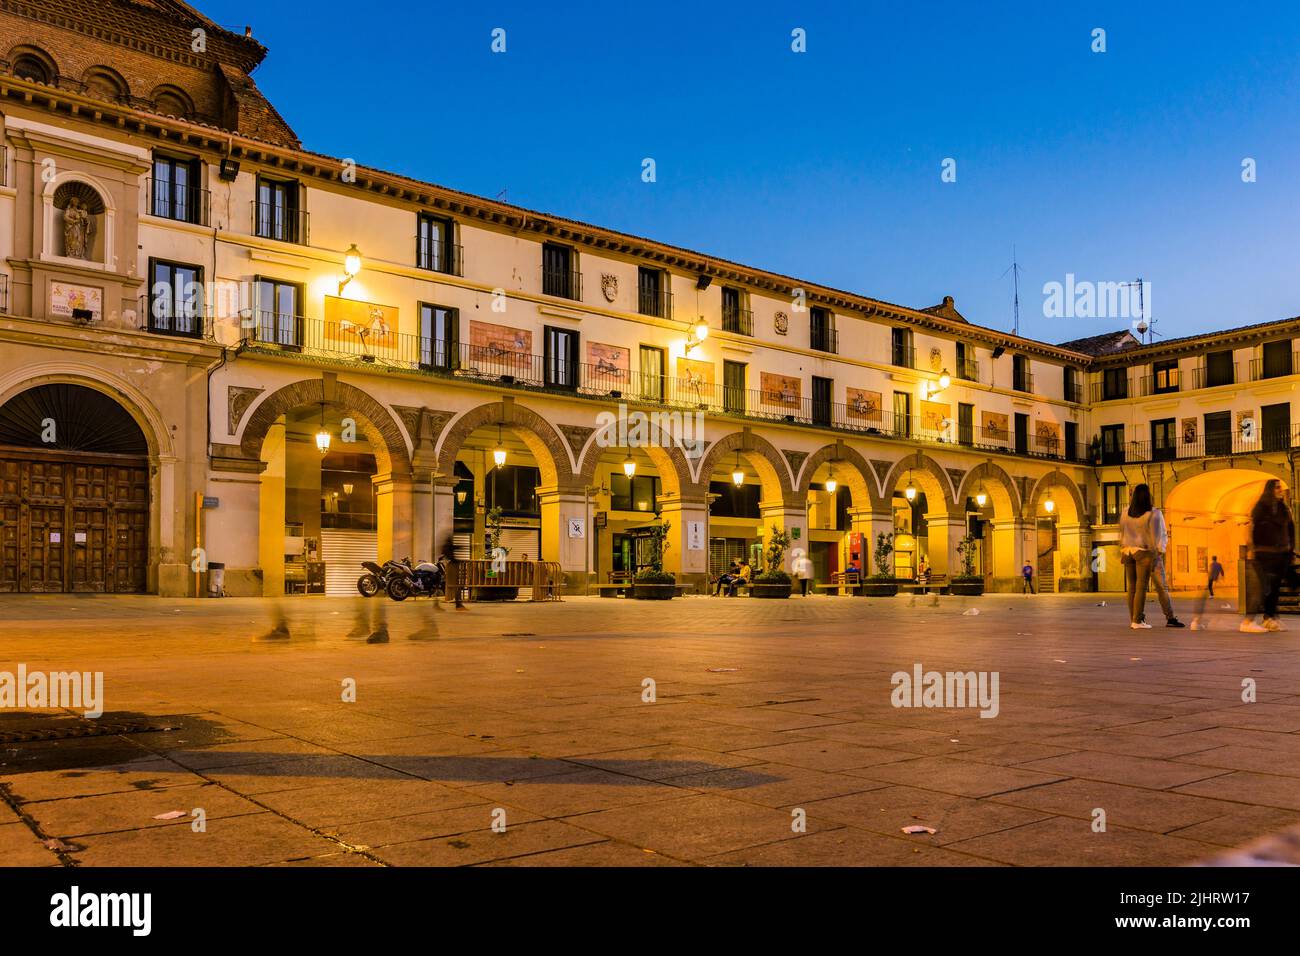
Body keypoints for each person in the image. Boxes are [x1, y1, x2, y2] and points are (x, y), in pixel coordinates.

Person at [1241, 479, 1295, 633]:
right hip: (1264, 554)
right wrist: (1252, 548)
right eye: (1277, 487)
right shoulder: (1260, 508)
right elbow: (1251, 529)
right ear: (1270, 489)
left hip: (1281, 554)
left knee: (1275, 588)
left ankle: (1269, 619)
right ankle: (1248, 621)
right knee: (1263, 588)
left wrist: (1290, 550)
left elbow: (1290, 530)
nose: (1280, 490)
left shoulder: (1283, 509)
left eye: (1280, 487)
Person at [1120, 483, 1158, 629]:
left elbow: (1122, 531)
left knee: (1132, 587)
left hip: (1127, 551)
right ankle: (1137, 620)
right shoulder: (1150, 514)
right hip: (1142, 551)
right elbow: (1153, 536)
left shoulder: (1125, 512)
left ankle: (1134, 619)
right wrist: (1154, 551)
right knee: (1141, 586)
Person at [1145, 502, 1186, 627]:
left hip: (1136, 554)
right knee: (1162, 588)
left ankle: (1137, 619)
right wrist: (1159, 550)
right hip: (1152, 554)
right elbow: (1163, 533)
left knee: (1137, 589)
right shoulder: (1155, 513)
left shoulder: (1129, 513)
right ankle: (1170, 617)